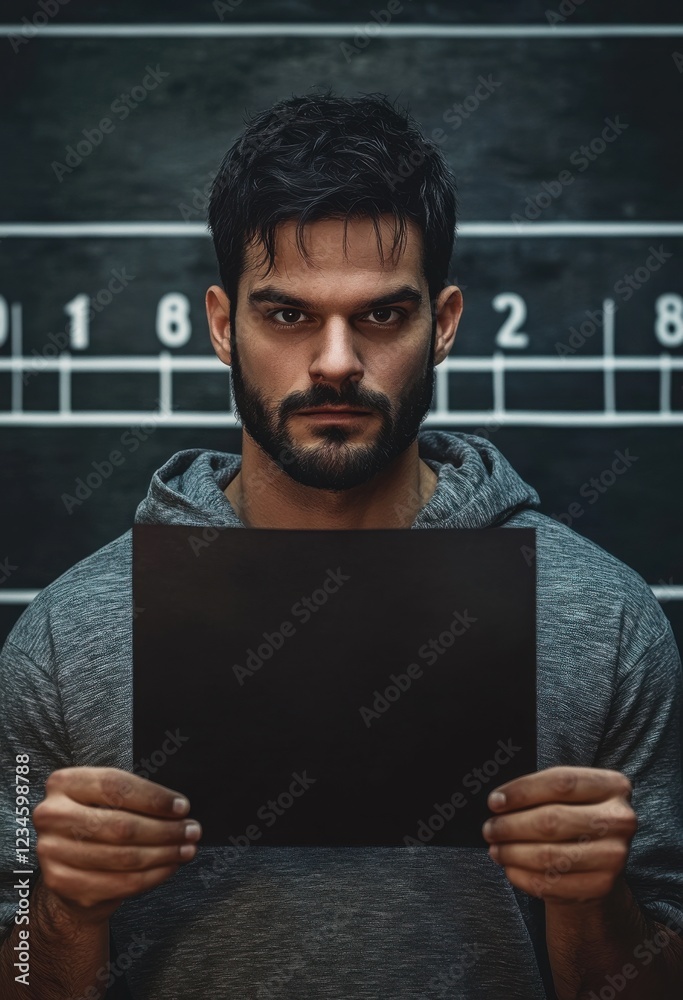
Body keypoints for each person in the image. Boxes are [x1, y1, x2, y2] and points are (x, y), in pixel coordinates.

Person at [1, 90, 682, 1000]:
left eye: (379, 317)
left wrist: (592, 907)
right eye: (286, 316)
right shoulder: (61, 640)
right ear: (219, 324)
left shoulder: (604, 623)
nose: (332, 361)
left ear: (441, 325)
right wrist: (61, 911)